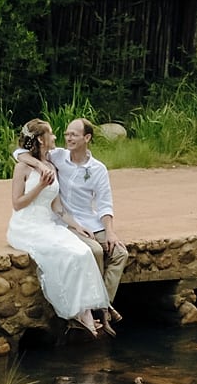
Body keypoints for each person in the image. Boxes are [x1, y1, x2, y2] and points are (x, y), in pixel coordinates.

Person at [15, 117, 127, 330]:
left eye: (73, 134)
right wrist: (39, 164)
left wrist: (110, 232)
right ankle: (98, 308)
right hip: (65, 221)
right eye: (66, 133)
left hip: (90, 222)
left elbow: (104, 204)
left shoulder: (98, 169)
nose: (67, 137)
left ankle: (103, 305)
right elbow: (19, 153)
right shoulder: (57, 156)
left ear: (87, 138)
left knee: (120, 252)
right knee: (95, 251)